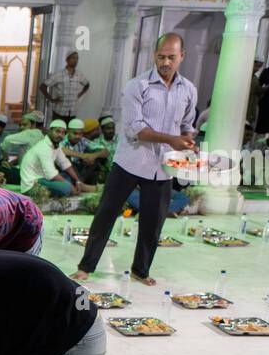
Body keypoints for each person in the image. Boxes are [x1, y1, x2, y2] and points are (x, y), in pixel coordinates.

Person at [73, 33, 197, 286]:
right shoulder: (137, 86)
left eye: (171, 57)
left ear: (181, 56)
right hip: (130, 161)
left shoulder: (189, 89)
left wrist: (187, 142)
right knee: (106, 214)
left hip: (162, 167)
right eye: (161, 56)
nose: (165, 62)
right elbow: (135, 129)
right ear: (154, 55)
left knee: (154, 222)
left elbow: (187, 124)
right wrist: (171, 140)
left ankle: (141, 270)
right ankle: (86, 267)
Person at [18, 119, 81, 198]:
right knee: (66, 188)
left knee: (67, 176)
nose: (60, 135)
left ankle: (70, 187)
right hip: (33, 184)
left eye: (63, 133)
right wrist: (70, 186)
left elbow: (65, 163)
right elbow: (52, 174)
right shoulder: (44, 147)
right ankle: (68, 189)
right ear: (49, 131)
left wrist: (77, 181)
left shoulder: (56, 146)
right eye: (57, 131)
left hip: (44, 179)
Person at [41, 52, 90, 125]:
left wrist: (79, 95)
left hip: (72, 112)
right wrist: (51, 99)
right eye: (73, 58)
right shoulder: (58, 74)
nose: (75, 60)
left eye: (77, 58)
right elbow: (43, 86)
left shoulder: (79, 75)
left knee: (70, 134)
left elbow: (87, 85)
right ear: (67, 60)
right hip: (59, 112)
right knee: (57, 133)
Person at [60, 118, 110, 184]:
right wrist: (82, 156)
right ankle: (80, 183)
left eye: (80, 134)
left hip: (80, 170)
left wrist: (93, 156)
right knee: (67, 159)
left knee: (98, 158)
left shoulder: (82, 140)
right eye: (75, 133)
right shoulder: (62, 139)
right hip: (65, 170)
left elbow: (106, 151)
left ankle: (81, 182)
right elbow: (61, 150)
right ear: (68, 131)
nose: (78, 136)